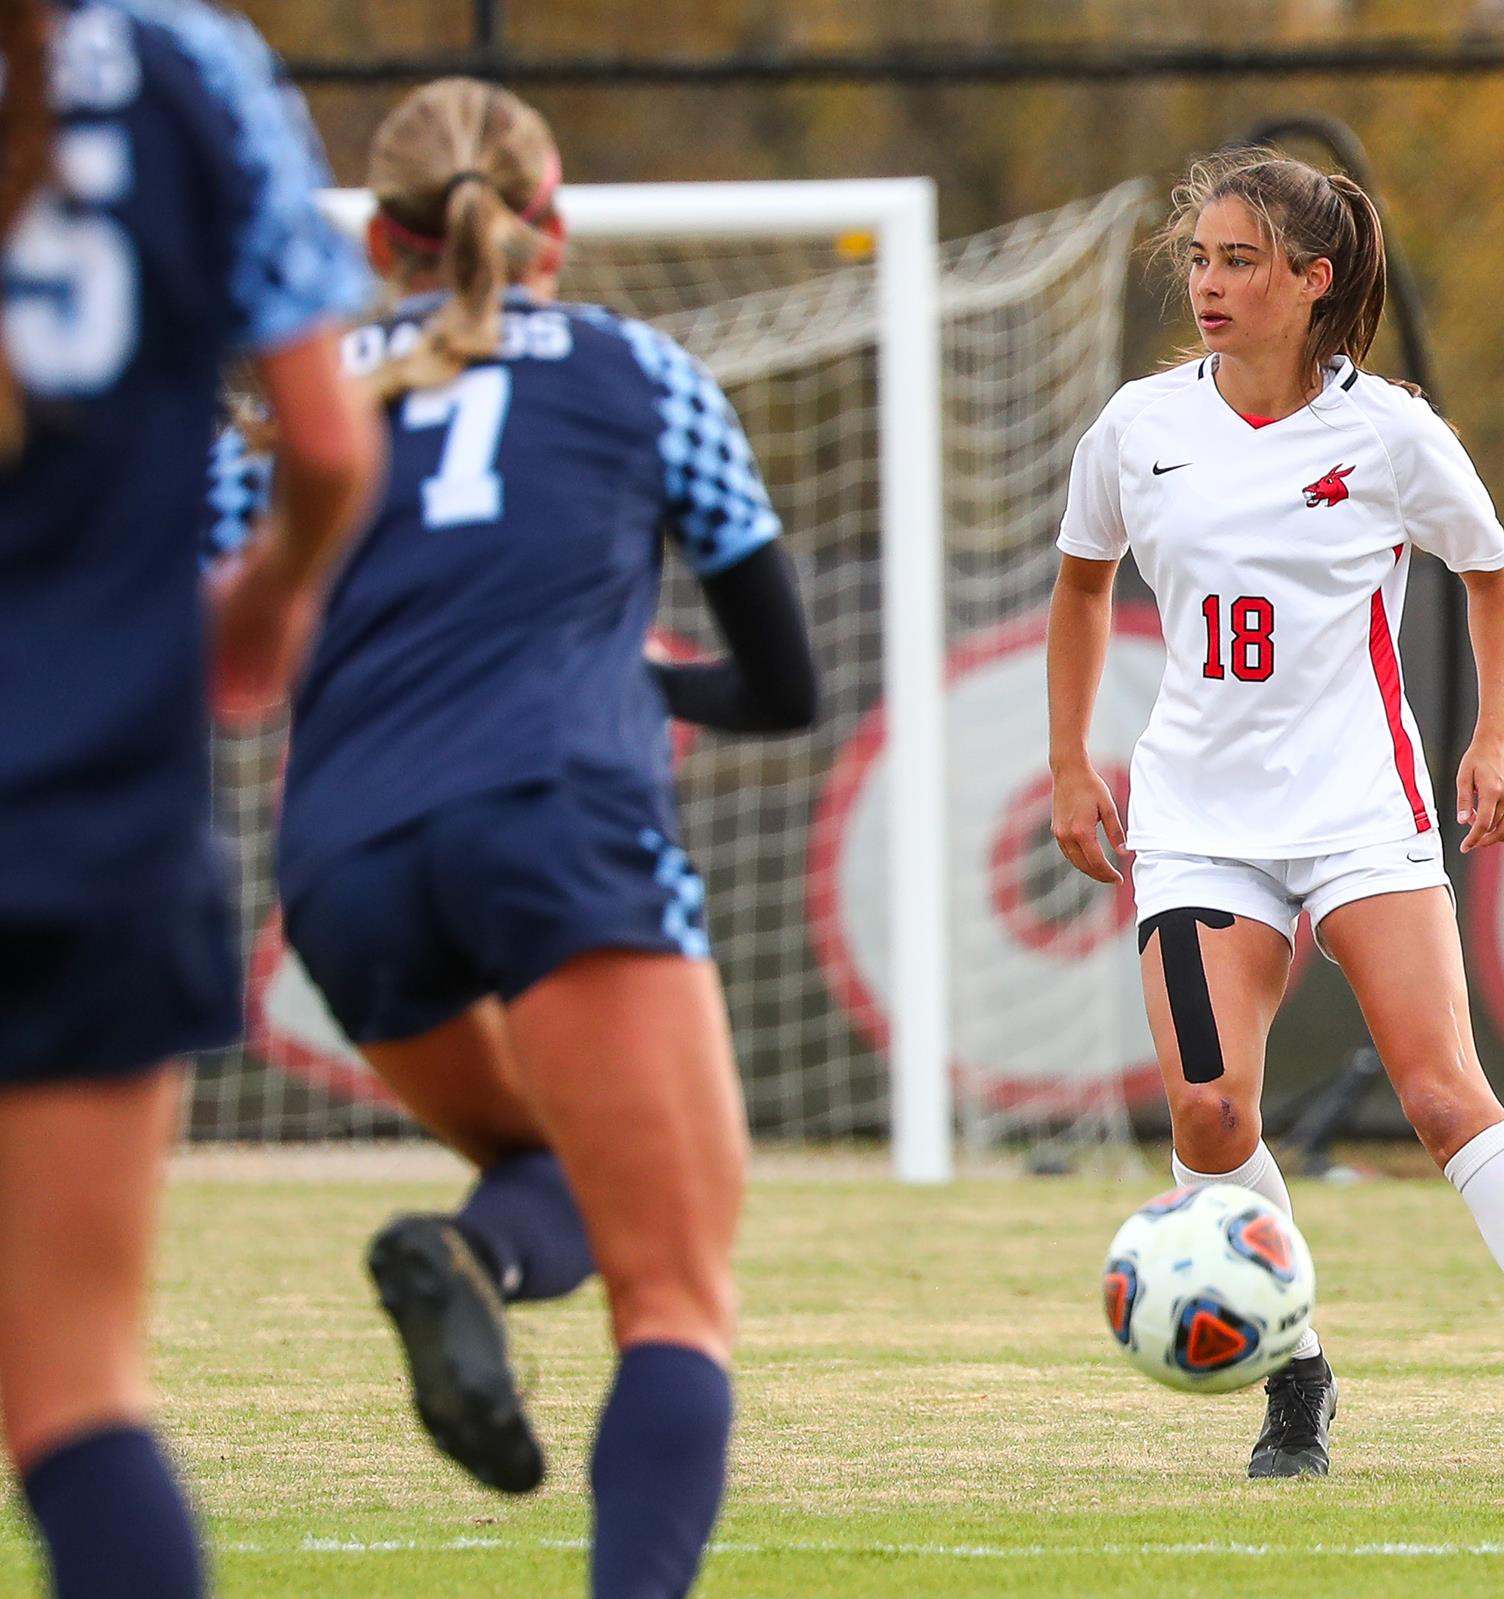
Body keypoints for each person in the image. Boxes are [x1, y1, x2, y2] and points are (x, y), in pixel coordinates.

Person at [208, 78, 817, 1599]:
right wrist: (640, 675)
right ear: (553, 222)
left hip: (342, 864)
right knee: (678, 1288)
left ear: (383, 237)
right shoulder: (642, 371)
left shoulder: (291, 399)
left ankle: (477, 1258)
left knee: (560, 1170)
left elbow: (214, 652)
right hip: (553, 819)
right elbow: (787, 682)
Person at [1047, 148, 1504, 1480]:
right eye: (1200, 260)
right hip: (1198, 818)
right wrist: (1069, 763)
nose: (1208, 285)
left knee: (1444, 1095)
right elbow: (1083, 584)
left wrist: (1495, 739)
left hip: (1358, 812)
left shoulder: (1389, 432)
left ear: (1313, 281)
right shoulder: (1139, 428)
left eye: (1240, 262)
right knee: (1210, 1116)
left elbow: (1493, 580)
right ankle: (1298, 1369)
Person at [0, 2, 378, 1594]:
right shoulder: (190, 67)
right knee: (77, 1402)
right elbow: (329, 447)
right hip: (97, 807)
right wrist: (272, 597)